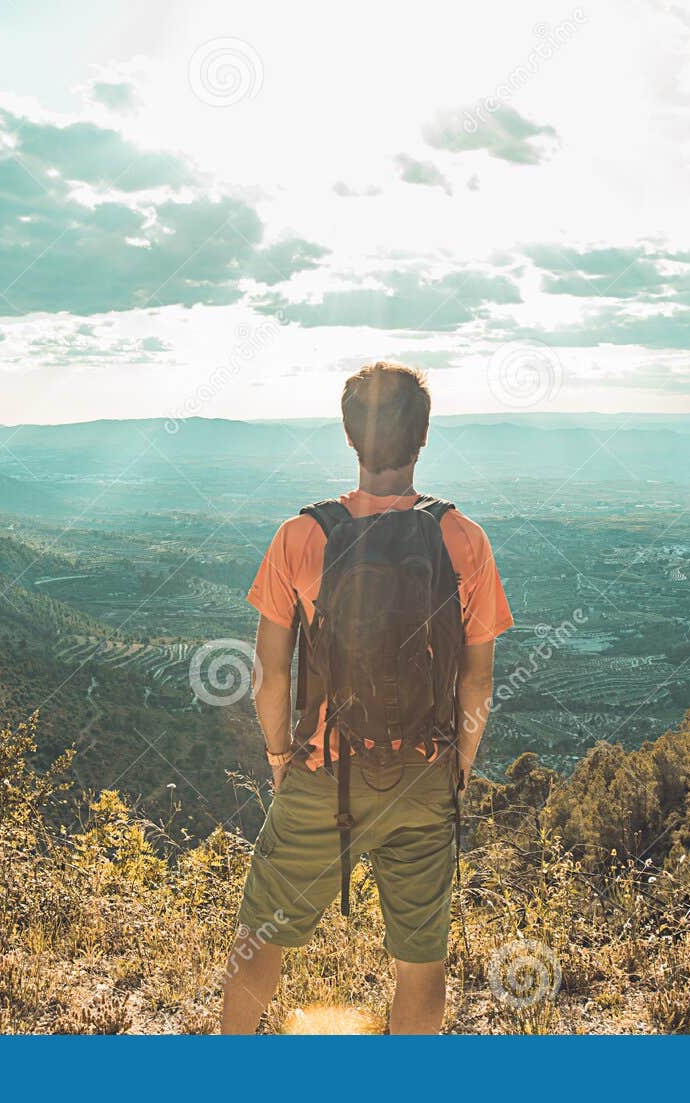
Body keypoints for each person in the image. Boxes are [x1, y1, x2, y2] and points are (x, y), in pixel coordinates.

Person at [218, 361, 513, 1035]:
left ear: (351, 437)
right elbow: (478, 678)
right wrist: (460, 760)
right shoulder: (463, 539)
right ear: (423, 437)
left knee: (260, 938)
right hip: (423, 770)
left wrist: (277, 755)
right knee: (421, 959)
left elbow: (270, 671)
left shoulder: (301, 535)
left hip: (323, 771)